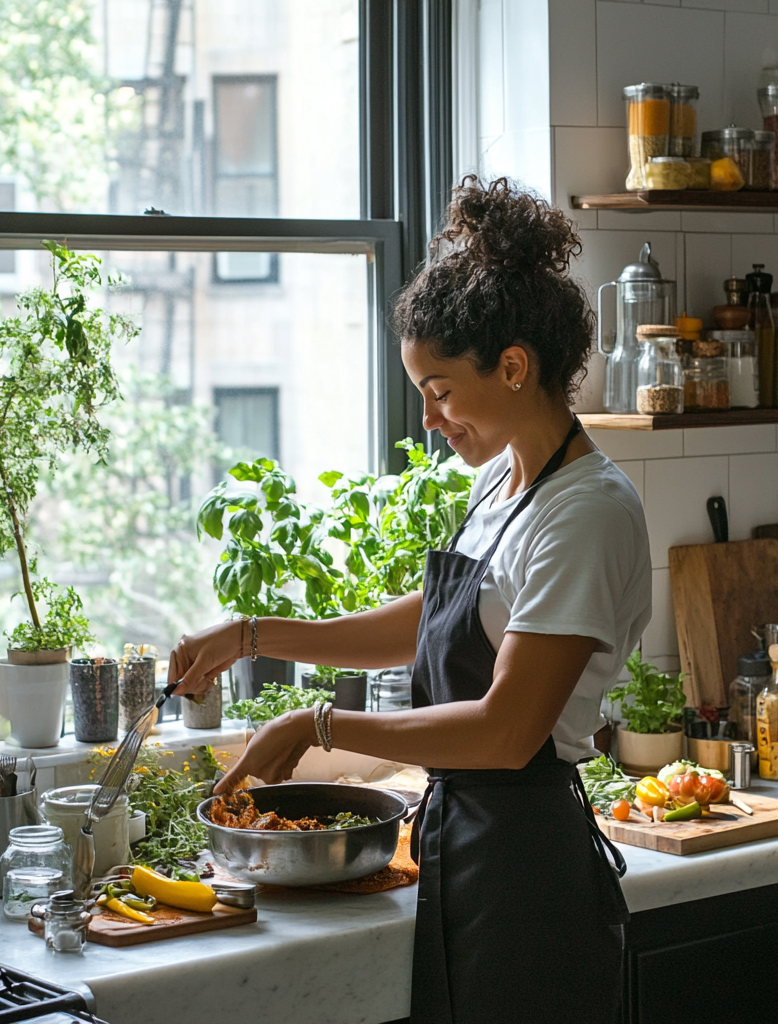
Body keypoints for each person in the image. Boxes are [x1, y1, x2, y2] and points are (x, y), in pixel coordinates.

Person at [170, 177, 652, 1024]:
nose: (430, 418)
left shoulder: (588, 513)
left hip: (528, 873)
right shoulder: (507, 482)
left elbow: (505, 733)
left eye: (439, 389)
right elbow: (432, 622)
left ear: (512, 367)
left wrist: (313, 727)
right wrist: (253, 635)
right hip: (466, 849)